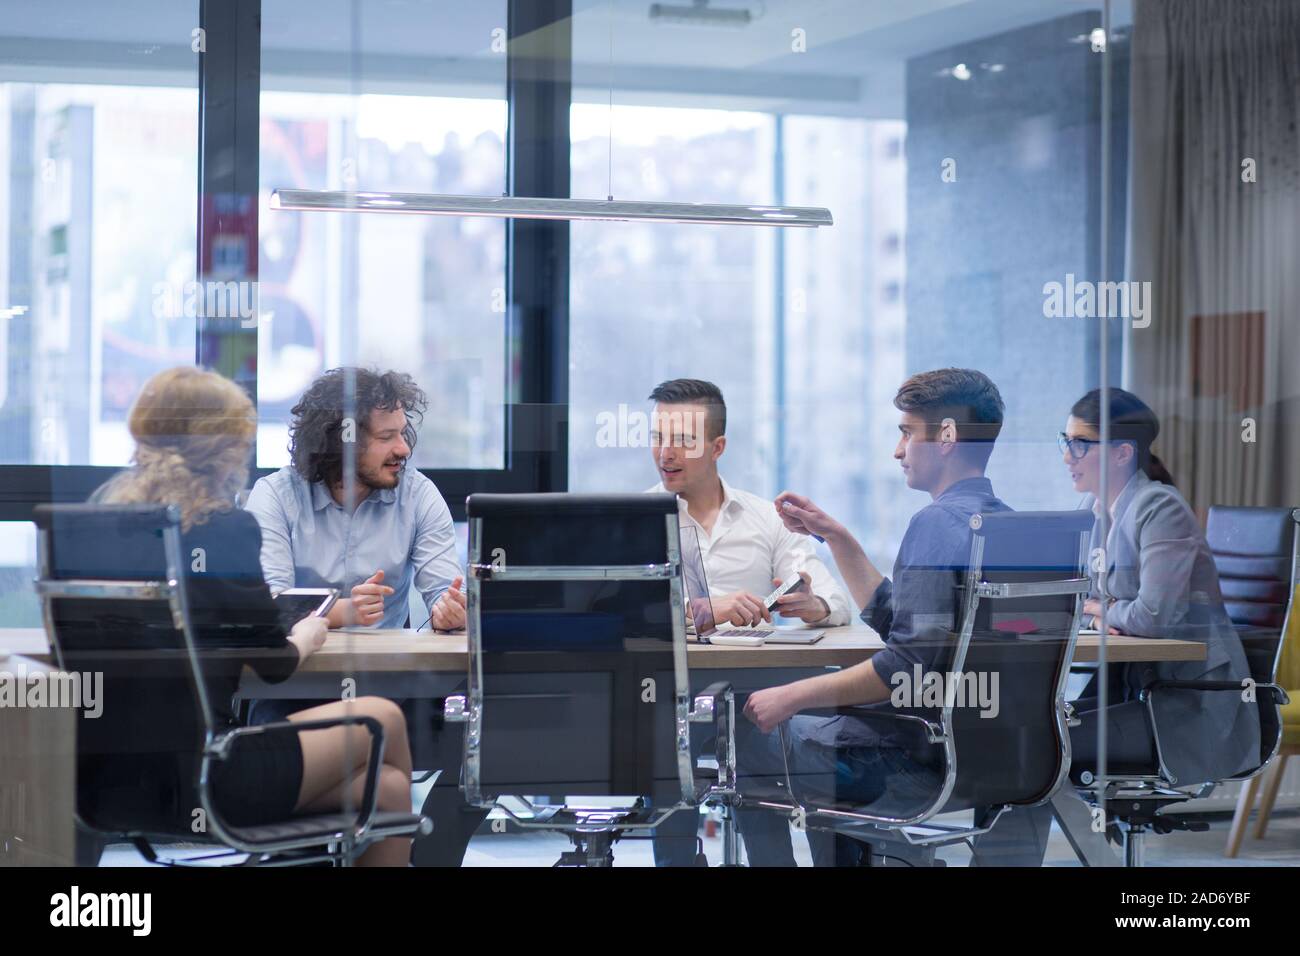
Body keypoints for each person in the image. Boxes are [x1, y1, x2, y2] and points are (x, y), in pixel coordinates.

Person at [94, 367, 414, 866]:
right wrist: (313, 627)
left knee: (390, 790)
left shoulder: (104, 523)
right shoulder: (222, 529)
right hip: (208, 774)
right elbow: (273, 662)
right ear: (224, 450)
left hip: (99, 783)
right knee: (384, 717)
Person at [971, 388, 1261, 865]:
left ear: (1123, 452)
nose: (1068, 455)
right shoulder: (1095, 515)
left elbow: (1151, 617)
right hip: (1134, 692)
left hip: (1184, 704)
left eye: (1081, 443)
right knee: (1011, 736)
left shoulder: (1159, 508)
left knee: (1029, 750)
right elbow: (1082, 596)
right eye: (1064, 441)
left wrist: (1093, 609)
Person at [735, 368, 1011, 866]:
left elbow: (904, 665)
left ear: (946, 436)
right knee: (814, 714)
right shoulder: (1005, 525)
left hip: (918, 763)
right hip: (1000, 759)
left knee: (748, 731)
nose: (898, 450)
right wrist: (837, 538)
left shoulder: (934, 525)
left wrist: (791, 696)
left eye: (907, 432)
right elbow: (910, 631)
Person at [642, 378, 851, 866]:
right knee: (670, 744)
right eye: (657, 437)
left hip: (758, 690)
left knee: (781, 732)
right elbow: (618, 618)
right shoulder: (639, 518)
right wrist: (703, 610)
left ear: (717, 447)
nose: (665, 453)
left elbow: (834, 598)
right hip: (673, 694)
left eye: (683, 441)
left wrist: (811, 603)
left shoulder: (765, 518)